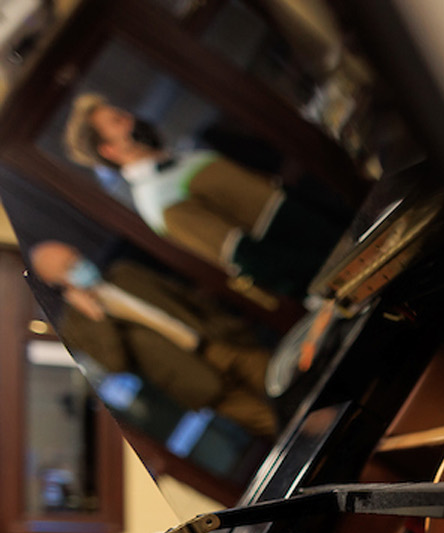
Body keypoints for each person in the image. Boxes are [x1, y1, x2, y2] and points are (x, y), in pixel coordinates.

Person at [63, 95, 339, 299]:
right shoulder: (157, 200)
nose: (130, 119)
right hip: (313, 259)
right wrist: (324, 269)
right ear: (109, 151)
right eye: (117, 121)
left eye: (122, 112)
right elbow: (248, 258)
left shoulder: (178, 156)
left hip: (318, 223)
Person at [30, 240, 279, 437]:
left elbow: (184, 296)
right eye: (68, 266)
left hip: (219, 343)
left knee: (286, 381)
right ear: (54, 281)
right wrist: (98, 317)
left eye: (75, 256)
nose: (78, 264)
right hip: (193, 378)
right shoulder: (75, 326)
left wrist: (227, 326)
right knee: (271, 421)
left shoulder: (123, 273)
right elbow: (117, 364)